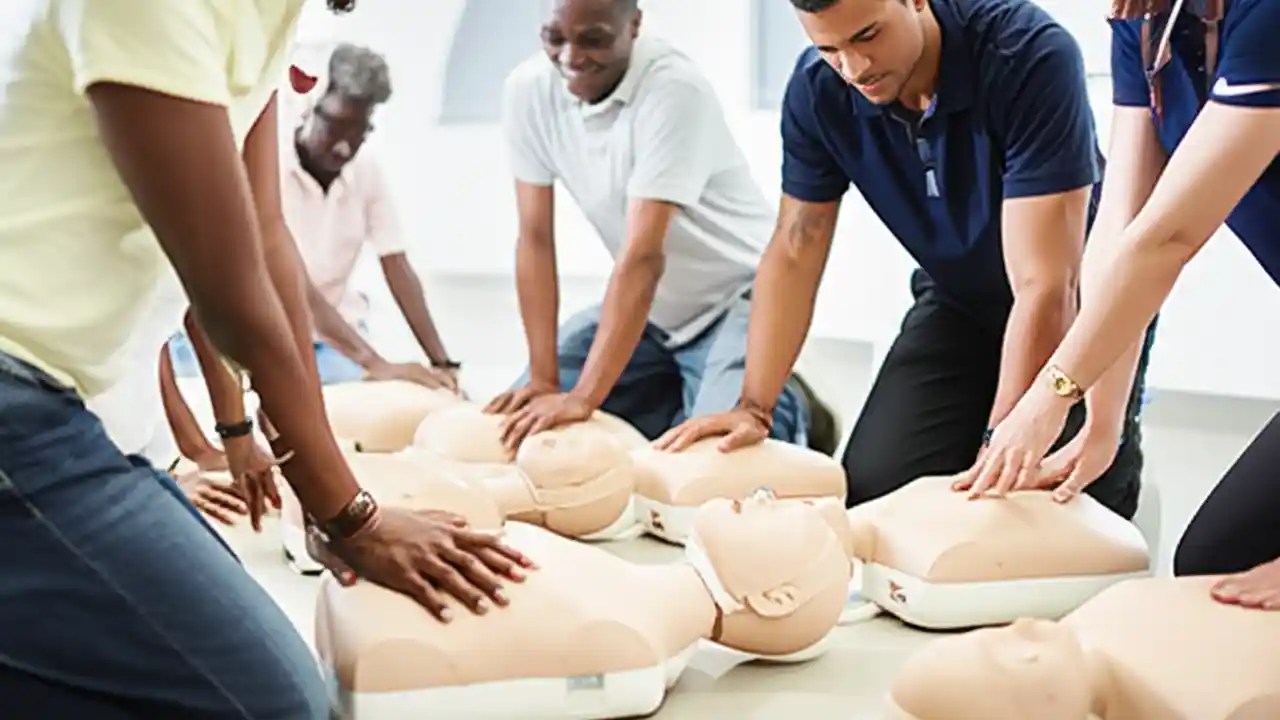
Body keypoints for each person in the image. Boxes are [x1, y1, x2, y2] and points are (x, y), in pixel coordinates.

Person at [0, 2, 532, 717]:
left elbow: (267, 240)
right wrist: (349, 514)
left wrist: (314, 483)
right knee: (275, 704)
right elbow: (228, 299)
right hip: (18, 402)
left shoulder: (267, 17)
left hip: (50, 407)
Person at [656, 0, 1154, 521]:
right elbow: (796, 245)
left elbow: (1047, 284)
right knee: (873, 493)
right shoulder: (818, 91)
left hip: (1080, 309)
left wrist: (1000, 441)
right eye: (829, 49)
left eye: (868, 36)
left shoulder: (1026, 53)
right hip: (959, 301)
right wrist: (753, 407)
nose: (854, 68)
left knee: (1047, 505)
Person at [966, 0, 1280, 609]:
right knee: (1214, 566)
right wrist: (1102, 421)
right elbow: (1123, 228)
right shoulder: (1145, 26)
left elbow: (1170, 237)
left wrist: (1048, 397)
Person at [486, 0, 836, 455]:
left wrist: (582, 398)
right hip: (654, 315)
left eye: (593, 38)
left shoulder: (673, 89)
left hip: (735, 299)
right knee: (520, 428)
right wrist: (544, 379)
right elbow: (534, 239)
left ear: (634, 26)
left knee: (712, 460)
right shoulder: (528, 89)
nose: (571, 57)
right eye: (555, 37)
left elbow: (643, 257)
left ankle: (795, 409)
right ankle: (677, 392)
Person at [285, 43, 463, 390]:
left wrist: (442, 364)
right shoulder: (267, 167)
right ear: (309, 108)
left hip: (337, 340)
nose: (343, 147)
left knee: (409, 396)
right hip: (273, 332)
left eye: (358, 133)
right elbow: (290, 282)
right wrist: (374, 362)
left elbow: (396, 263)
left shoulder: (365, 172)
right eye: (335, 126)